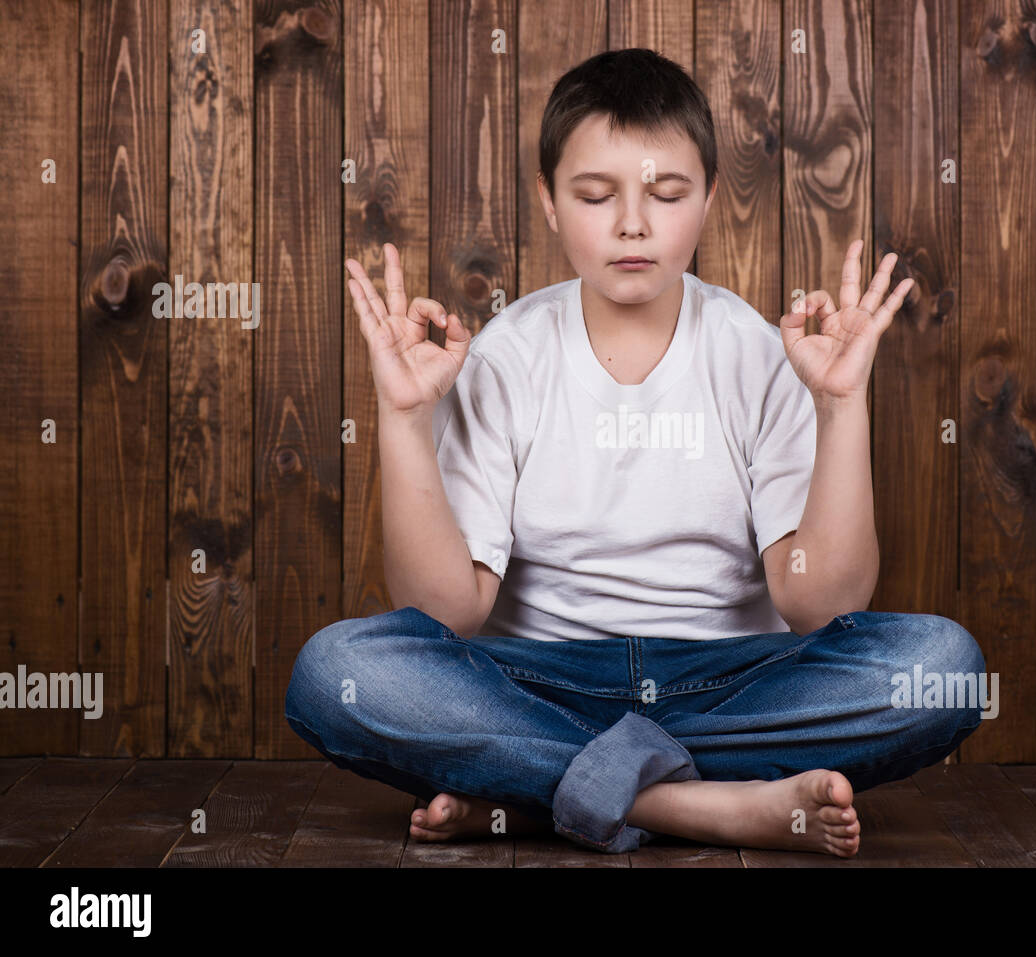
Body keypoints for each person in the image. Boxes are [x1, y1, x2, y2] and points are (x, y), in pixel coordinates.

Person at [285, 48, 986, 857]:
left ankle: (537, 792)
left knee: (943, 664)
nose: (632, 223)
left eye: (667, 193)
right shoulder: (507, 357)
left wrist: (838, 404)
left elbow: (821, 609)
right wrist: (406, 420)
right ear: (548, 201)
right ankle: (706, 806)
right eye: (595, 194)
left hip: (730, 685)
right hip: (539, 685)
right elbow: (444, 616)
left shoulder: (759, 354)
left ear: (711, 197)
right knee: (337, 669)